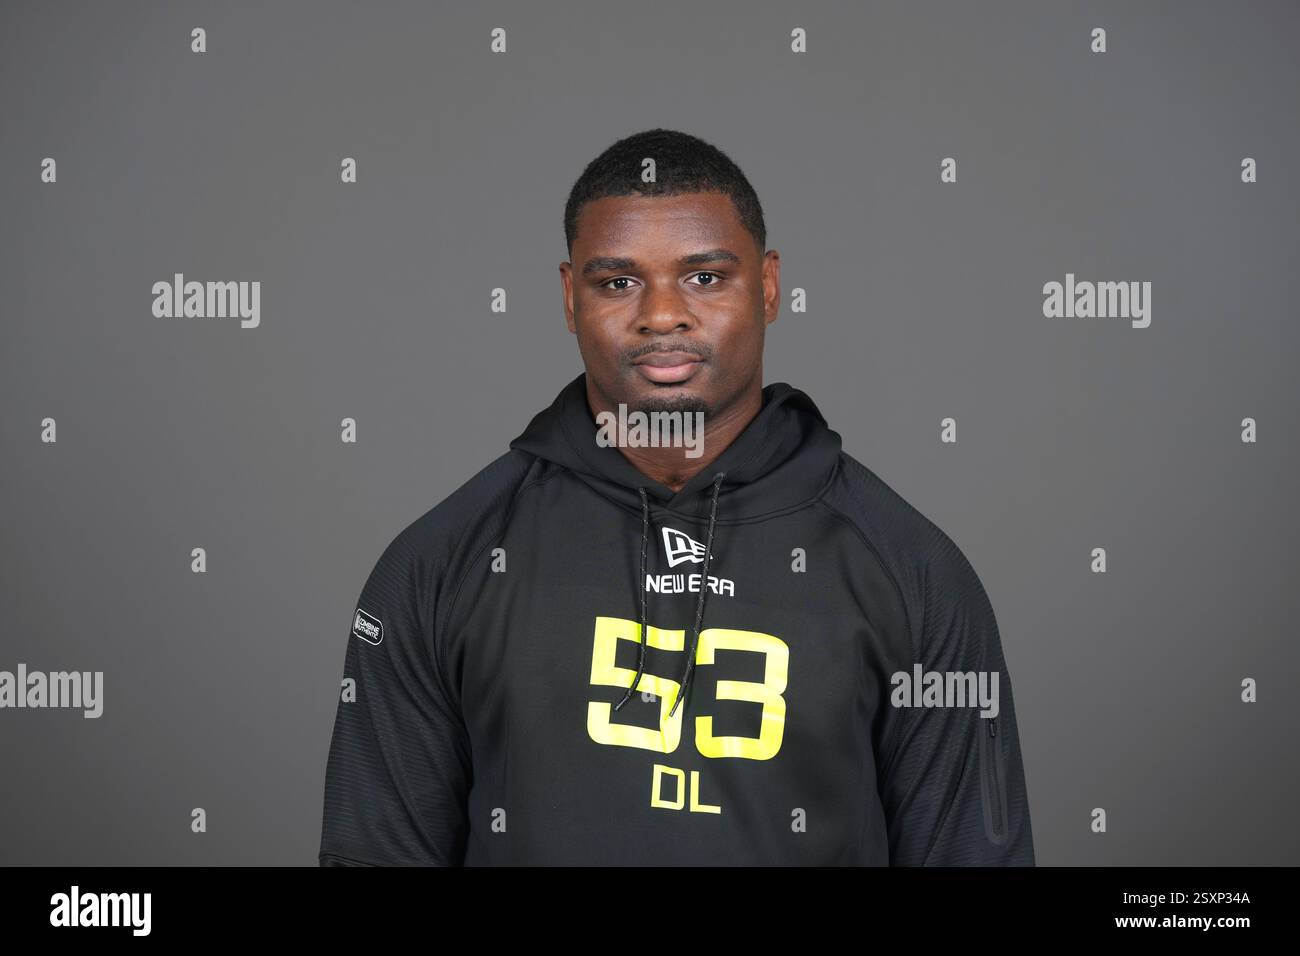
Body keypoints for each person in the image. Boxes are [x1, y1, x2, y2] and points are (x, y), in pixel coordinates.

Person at [318, 127, 1034, 866]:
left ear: (768, 286)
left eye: (704, 277)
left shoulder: (915, 575)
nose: (661, 315)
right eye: (618, 282)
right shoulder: (438, 566)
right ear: (570, 297)